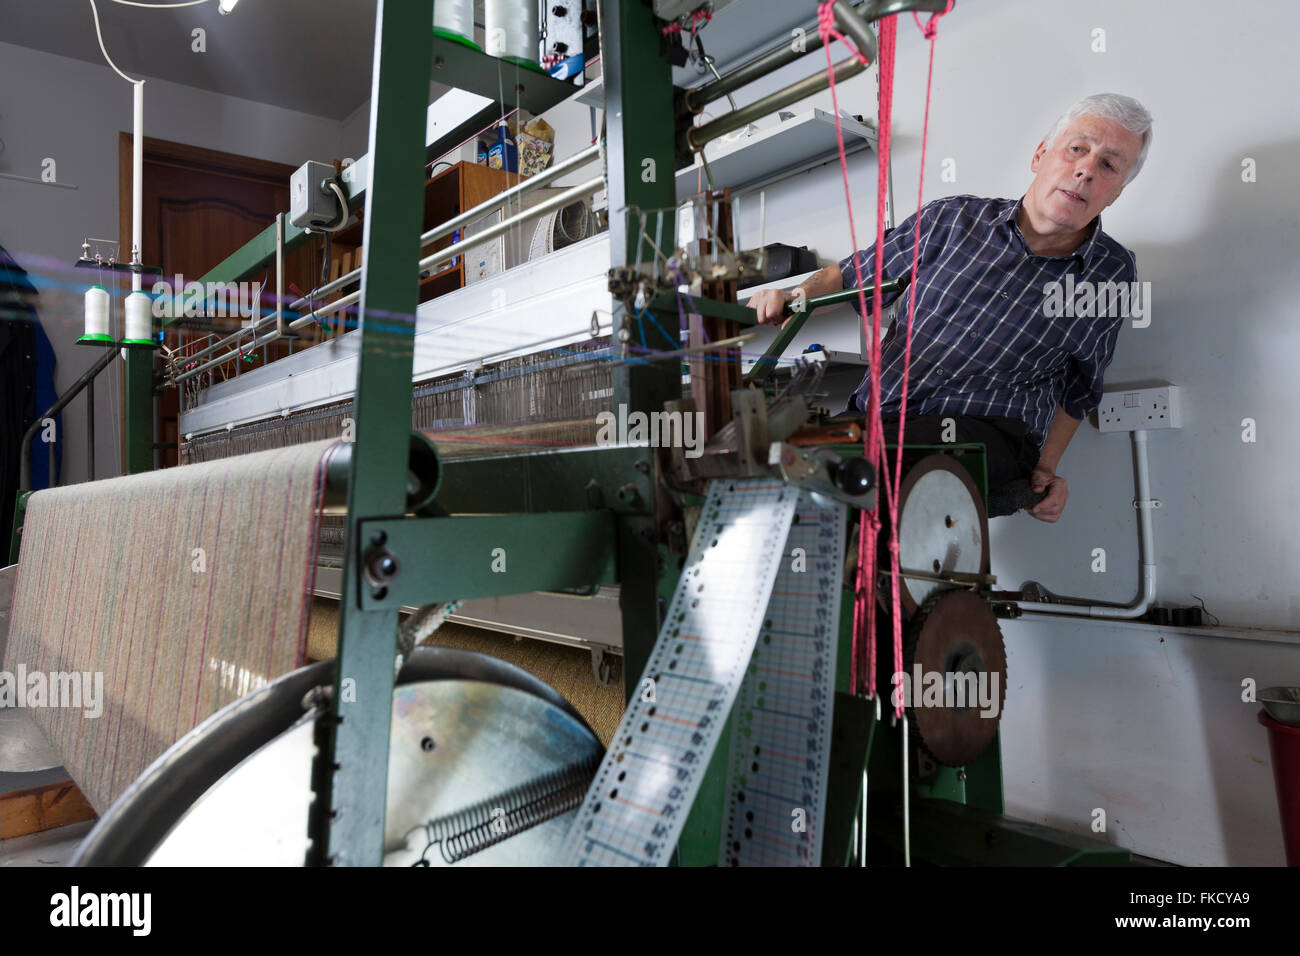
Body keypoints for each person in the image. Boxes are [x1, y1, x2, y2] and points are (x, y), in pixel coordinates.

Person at [749, 93, 1152, 522]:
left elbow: (1081, 388)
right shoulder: (950, 220)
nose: (1087, 169)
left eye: (1109, 165)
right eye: (1077, 148)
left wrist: (1046, 469)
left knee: (835, 469)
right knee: (772, 456)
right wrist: (795, 298)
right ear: (1040, 155)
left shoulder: (1109, 272)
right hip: (876, 420)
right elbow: (849, 277)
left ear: (1117, 192)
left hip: (990, 436)